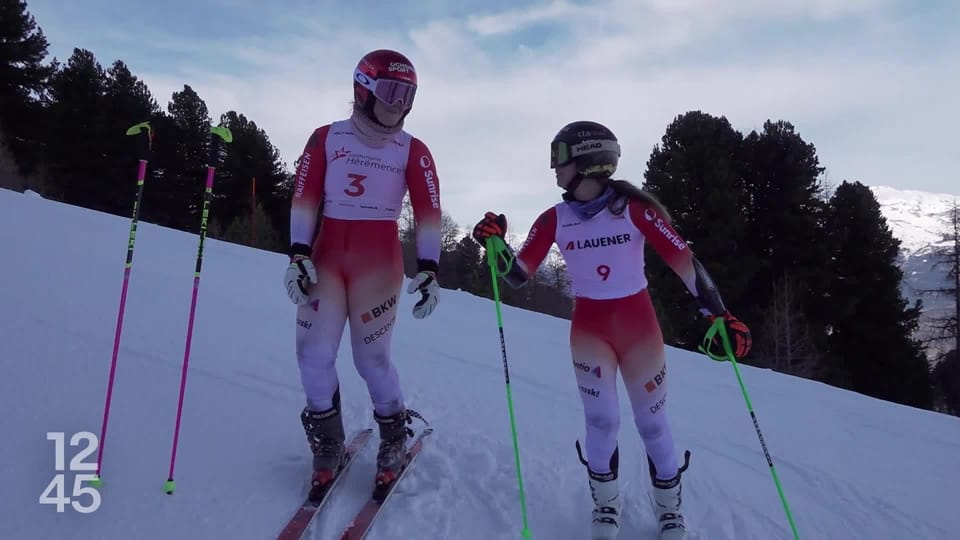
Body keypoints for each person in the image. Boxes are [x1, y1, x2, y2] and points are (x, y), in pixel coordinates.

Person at [471, 121, 751, 539]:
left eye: (559, 159)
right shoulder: (554, 218)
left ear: (586, 162)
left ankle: (670, 510)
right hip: (590, 331)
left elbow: (684, 262)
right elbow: (516, 275)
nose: (554, 170)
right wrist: (494, 243)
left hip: (639, 329)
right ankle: (606, 506)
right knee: (601, 421)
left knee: (652, 424)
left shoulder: (634, 210)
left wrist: (720, 314)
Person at [283, 48, 442, 501]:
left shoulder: (414, 150)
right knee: (313, 354)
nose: (400, 104)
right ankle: (327, 441)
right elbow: (304, 198)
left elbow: (429, 213)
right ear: (364, 88)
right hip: (327, 257)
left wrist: (429, 268)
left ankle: (393, 434)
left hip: (378, 263)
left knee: (370, 359)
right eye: (392, 92)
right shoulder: (327, 138)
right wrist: (296, 254)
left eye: (409, 96)